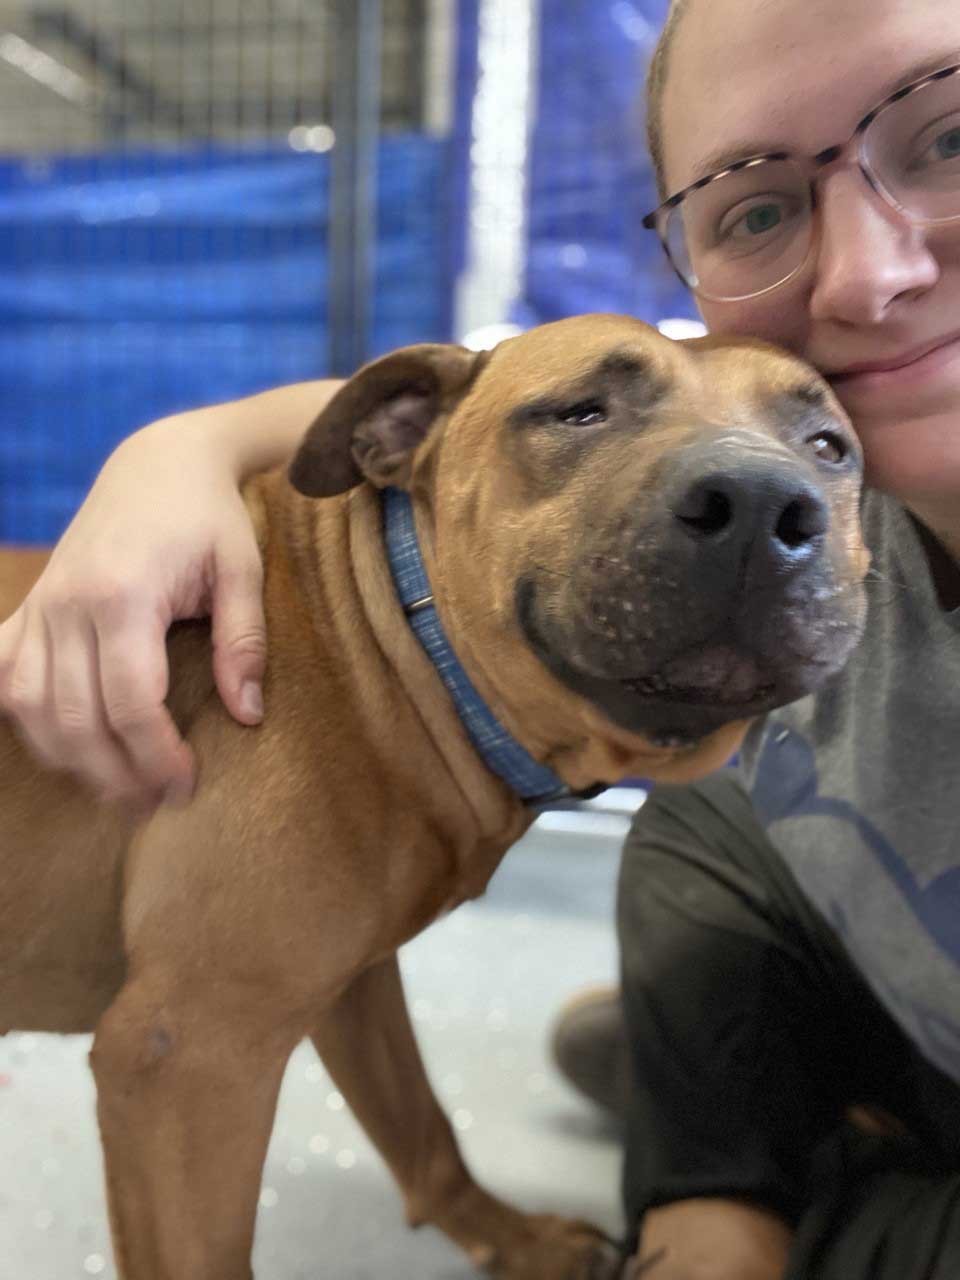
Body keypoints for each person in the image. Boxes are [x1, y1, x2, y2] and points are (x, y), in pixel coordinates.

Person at [2, 0, 960, 1275]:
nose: (868, 271)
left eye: (815, 446)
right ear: (394, 454)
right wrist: (185, 442)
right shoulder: (320, 675)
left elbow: (320, 945)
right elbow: (190, 1042)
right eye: (758, 205)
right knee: (706, 809)